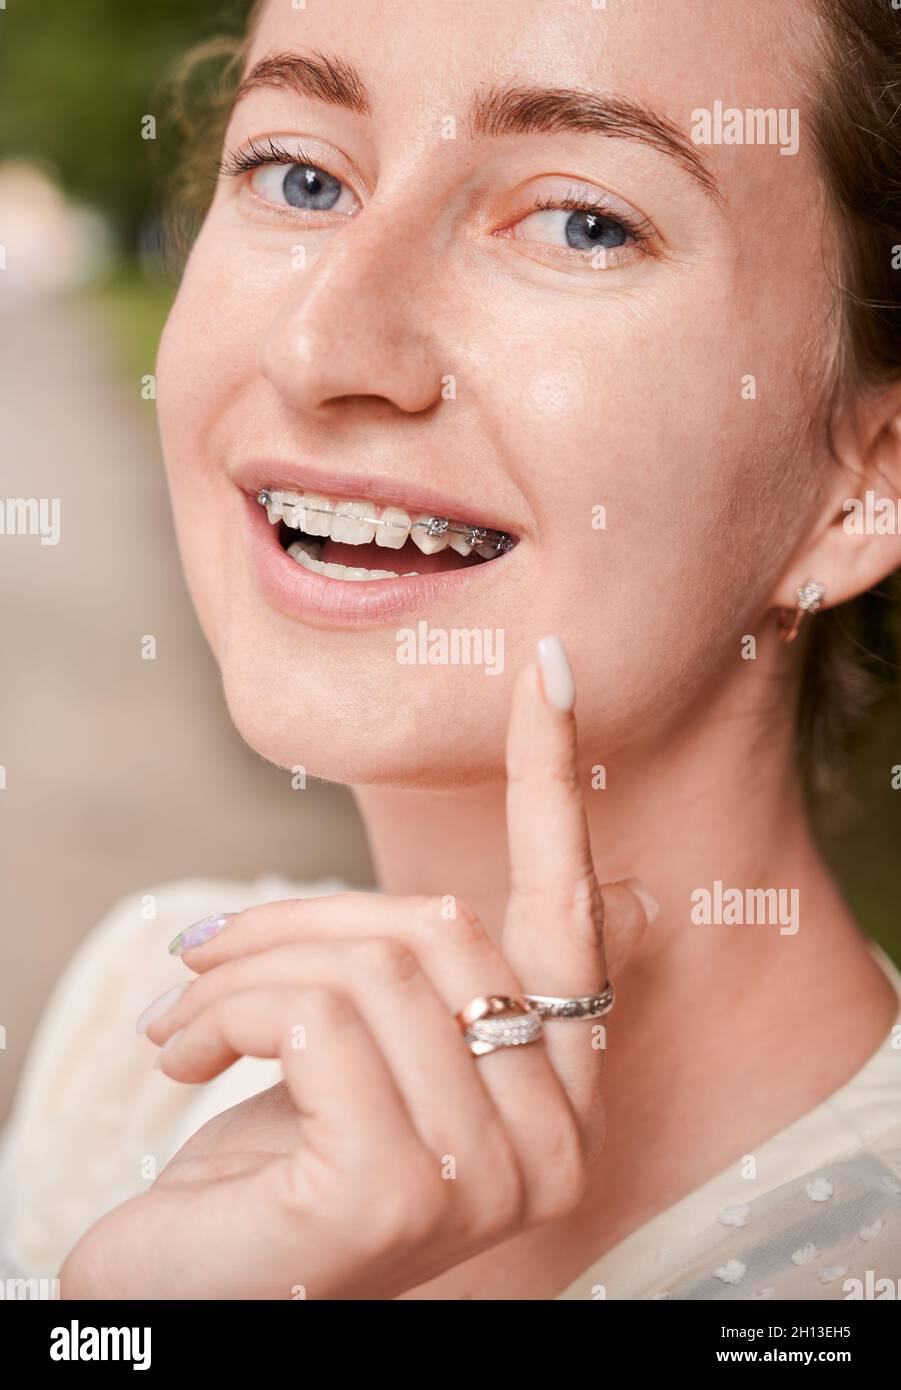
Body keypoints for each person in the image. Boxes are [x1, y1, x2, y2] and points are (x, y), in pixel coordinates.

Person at [3, 0, 901, 1300]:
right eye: (299, 175)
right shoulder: (139, 1013)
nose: (321, 346)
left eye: (582, 220)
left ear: (862, 482)